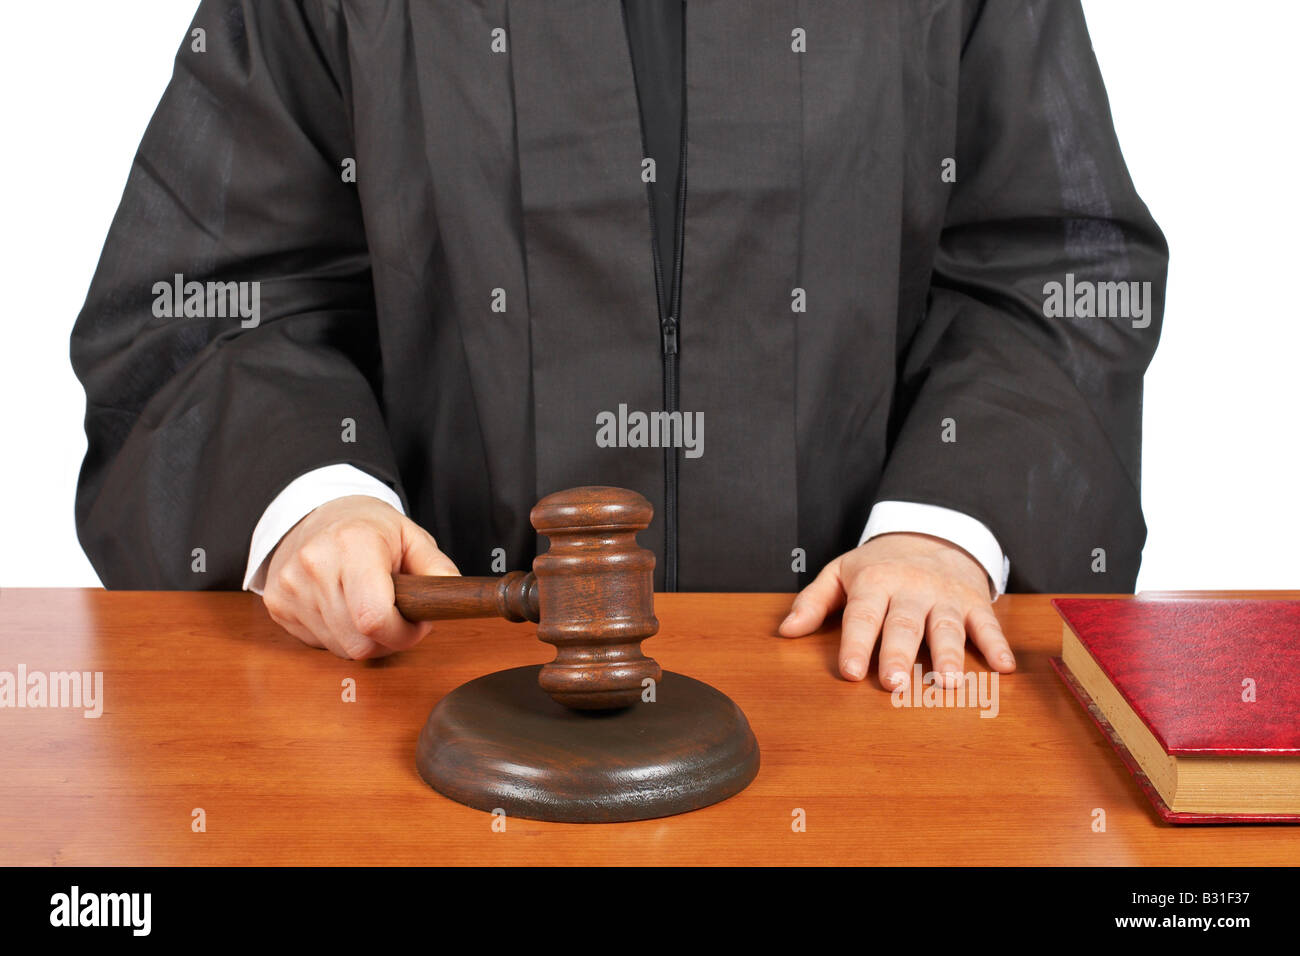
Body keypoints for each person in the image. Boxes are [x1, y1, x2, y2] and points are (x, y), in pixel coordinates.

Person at [71, 0, 1167, 690]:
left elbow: (1050, 269)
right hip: (433, 699)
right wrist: (313, 499)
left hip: (857, 690)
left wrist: (944, 527)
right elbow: (206, 298)